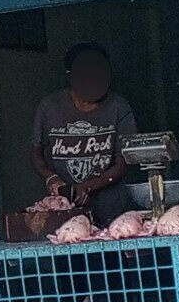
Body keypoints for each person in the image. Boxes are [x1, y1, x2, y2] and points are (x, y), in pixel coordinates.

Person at [29, 42, 137, 225]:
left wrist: (89, 186)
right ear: (70, 75)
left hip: (112, 212)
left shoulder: (119, 108)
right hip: (66, 212)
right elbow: (35, 152)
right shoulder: (50, 107)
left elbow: (125, 160)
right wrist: (52, 179)